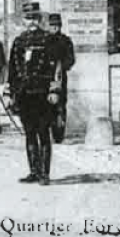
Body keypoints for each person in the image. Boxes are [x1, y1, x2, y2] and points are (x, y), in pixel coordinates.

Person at [5, 2, 61, 186]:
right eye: (28, 18)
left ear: (40, 19)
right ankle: (34, 172)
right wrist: (8, 92)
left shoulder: (48, 40)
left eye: (35, 18)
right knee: (29, 133)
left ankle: (45, 174)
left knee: (43, 132)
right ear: (24, 20)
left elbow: (57, 68)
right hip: (24, 94)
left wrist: (54, 89)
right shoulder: (19, 41)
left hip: (43, 94)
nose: (31, 22)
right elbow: (11, 69)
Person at [45, 12, 76, 143]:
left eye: (57, 25)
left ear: (60, 26)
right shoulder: (44, 40)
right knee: (46, 105)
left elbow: (71, 59)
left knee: (60, 105)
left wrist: (61, 66)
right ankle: (48, 131)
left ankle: (59, 133)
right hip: (45, 77)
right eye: (52, 25)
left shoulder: (66, 41)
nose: (54, 28)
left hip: (60, 77)